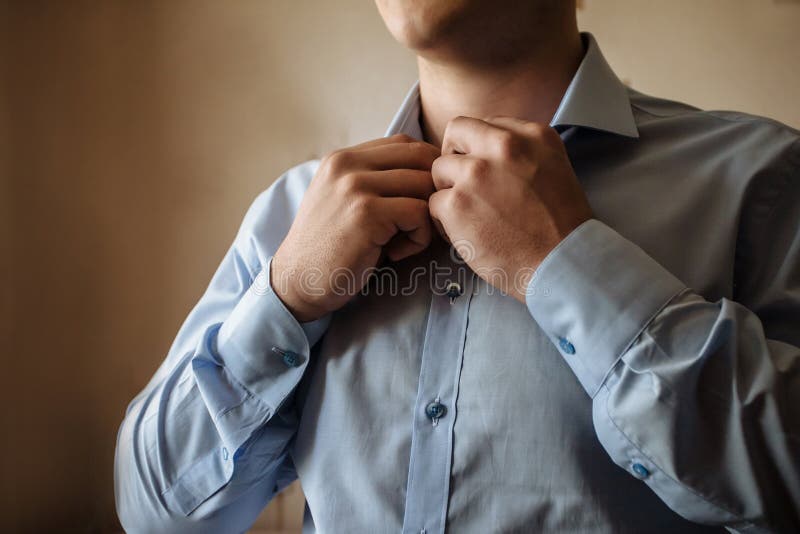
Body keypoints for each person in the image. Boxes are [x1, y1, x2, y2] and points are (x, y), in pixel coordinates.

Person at [114, 1, 800, 532]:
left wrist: (569, 267)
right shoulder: (293, 213)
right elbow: (153, 512)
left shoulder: (760, 179)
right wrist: (287, 299)